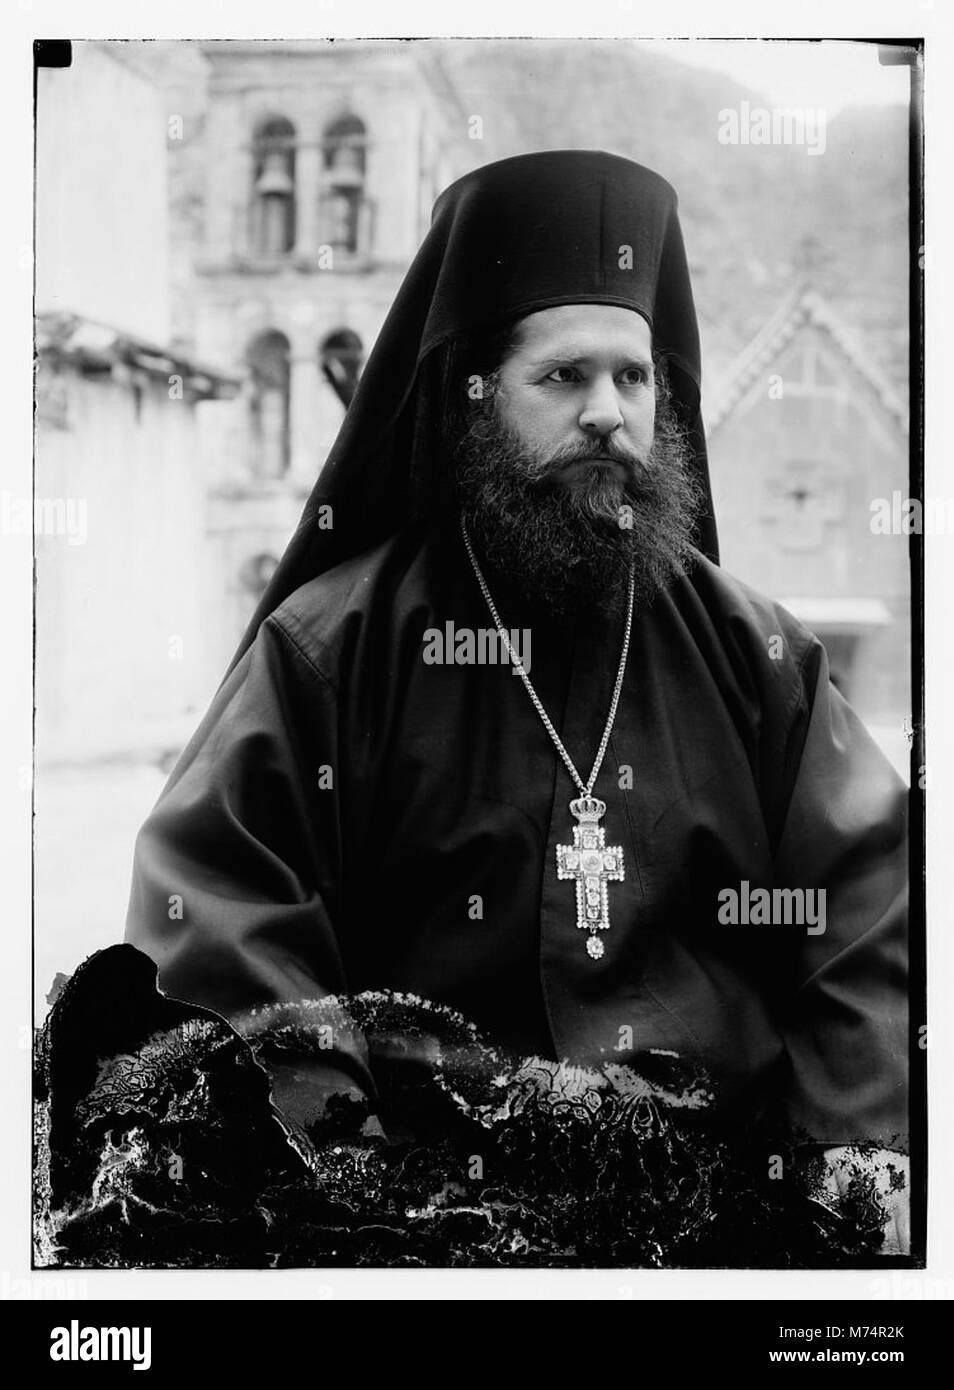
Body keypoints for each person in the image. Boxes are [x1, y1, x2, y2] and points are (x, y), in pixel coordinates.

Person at [125, 151, 909, 1254]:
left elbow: (869, 906)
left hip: (729, 1216)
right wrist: (343, 1165)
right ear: (474, 401)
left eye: (633, 380)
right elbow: (218, 914)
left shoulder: (760, 654)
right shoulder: (333, 650)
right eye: (563, 378)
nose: (608, 415)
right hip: (429, 1220)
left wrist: (852, 1147)